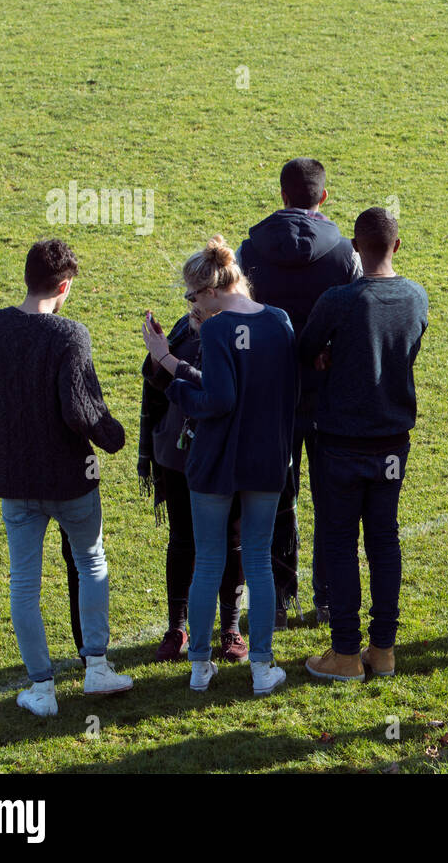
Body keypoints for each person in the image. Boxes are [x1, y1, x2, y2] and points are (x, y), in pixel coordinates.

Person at [0, 239, 133, 717]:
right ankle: (97, 665)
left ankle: (41, 690)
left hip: (14, 476)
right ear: (63, 286)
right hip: (69, 476)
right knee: (91, 562)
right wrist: (115, 436)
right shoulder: (69, 334)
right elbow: (81, 410)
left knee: (24, 583)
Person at [144, 236, 298, 696]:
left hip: (215, 461)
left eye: (192, 296)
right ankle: (262, 668)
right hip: (267, 458)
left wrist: (170, 381)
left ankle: (199, 667)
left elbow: (218, 398)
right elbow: (281, 391)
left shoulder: (213, 330)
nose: (191, 305)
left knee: (208, 559)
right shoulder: (280, 321)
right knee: (258, 561)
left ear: (210, 291)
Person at [300, 207, 429, 681]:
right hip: (393, 440)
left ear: (355, 247)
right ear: (397, 245)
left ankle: (346, 653)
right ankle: (384, 649)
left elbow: (304, 349)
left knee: (339, 542)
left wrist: (330, 358)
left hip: (339, 441)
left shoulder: (339, 300)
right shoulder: (416, 297)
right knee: (384, 539)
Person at [237, 158, 361, 629]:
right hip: (327, 395)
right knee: (332, 500)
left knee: (273, 498)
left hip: (269, 395)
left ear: (282, 194)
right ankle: (328, 599)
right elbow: (353, 320)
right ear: (323, 198)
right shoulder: (343, 253)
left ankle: (279, 598)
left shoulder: (250, 250)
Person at [138, 309, 246, 662]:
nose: (192, 304)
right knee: (182, 539)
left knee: (233, 540)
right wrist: (159, 354)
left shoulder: (238, 331)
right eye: (189, 296)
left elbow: (218, 387)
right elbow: (159, 383)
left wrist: (167, 358)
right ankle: (177, 627)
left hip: (225, 453)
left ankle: (231, 628)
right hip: (177, 453)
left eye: (197, 295)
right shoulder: (184, 329)